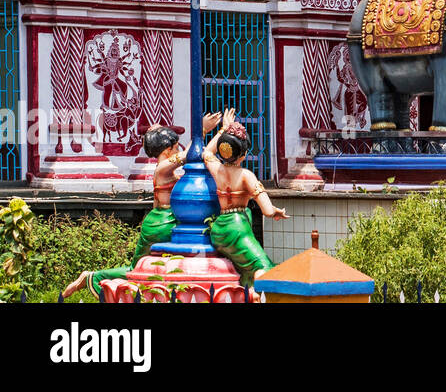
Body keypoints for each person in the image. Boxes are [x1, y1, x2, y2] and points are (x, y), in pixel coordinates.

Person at [62, 111, 222, 299]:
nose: (179, 150)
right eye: (176, 147)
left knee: (153, 267)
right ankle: (93, 278)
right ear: (167, 151)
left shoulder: (168, 168)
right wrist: (202, 130)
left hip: (164, 220)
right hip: (162, 223)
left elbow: (198, 155)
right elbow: (190, 155)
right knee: (136, 269)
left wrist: (218, 132)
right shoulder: (162, 169)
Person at [202, 108, 288, 287]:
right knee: (262, 266)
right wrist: (275, 211)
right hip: (237, 229)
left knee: (244, 271)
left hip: (218, 230)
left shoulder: (217, 170)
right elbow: (266, 209)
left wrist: (223, 129)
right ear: (243, 154)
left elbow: (208, 153)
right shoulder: (246, 175)